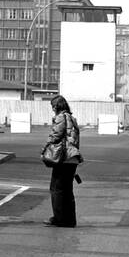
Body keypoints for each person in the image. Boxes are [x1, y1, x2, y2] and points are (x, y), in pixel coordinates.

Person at [43, 94, 83, 227]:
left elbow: (56, 135)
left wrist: (45, 148)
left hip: (63, 158)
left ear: (57, 106)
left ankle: (59, 218)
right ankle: (70, 220)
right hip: (73, 158)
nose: (52, 109)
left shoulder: (60, 117)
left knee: (56, 189)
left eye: (53, 106)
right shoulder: (72, 118)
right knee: (67, 190)